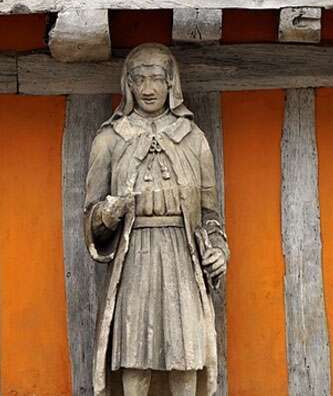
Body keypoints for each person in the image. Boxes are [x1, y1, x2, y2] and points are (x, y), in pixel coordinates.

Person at [83, 43, 228, 396]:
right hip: (134, 257)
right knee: (135, 348)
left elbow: (210, 214)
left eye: (156, 79)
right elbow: (91, 218)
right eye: (139, 80)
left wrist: (218, 249)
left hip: (181, 255)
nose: (148, 89)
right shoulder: (110, 140)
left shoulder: (193, 140)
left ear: (171, 84)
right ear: (128, 85)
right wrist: (107, 213)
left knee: (185, 347)